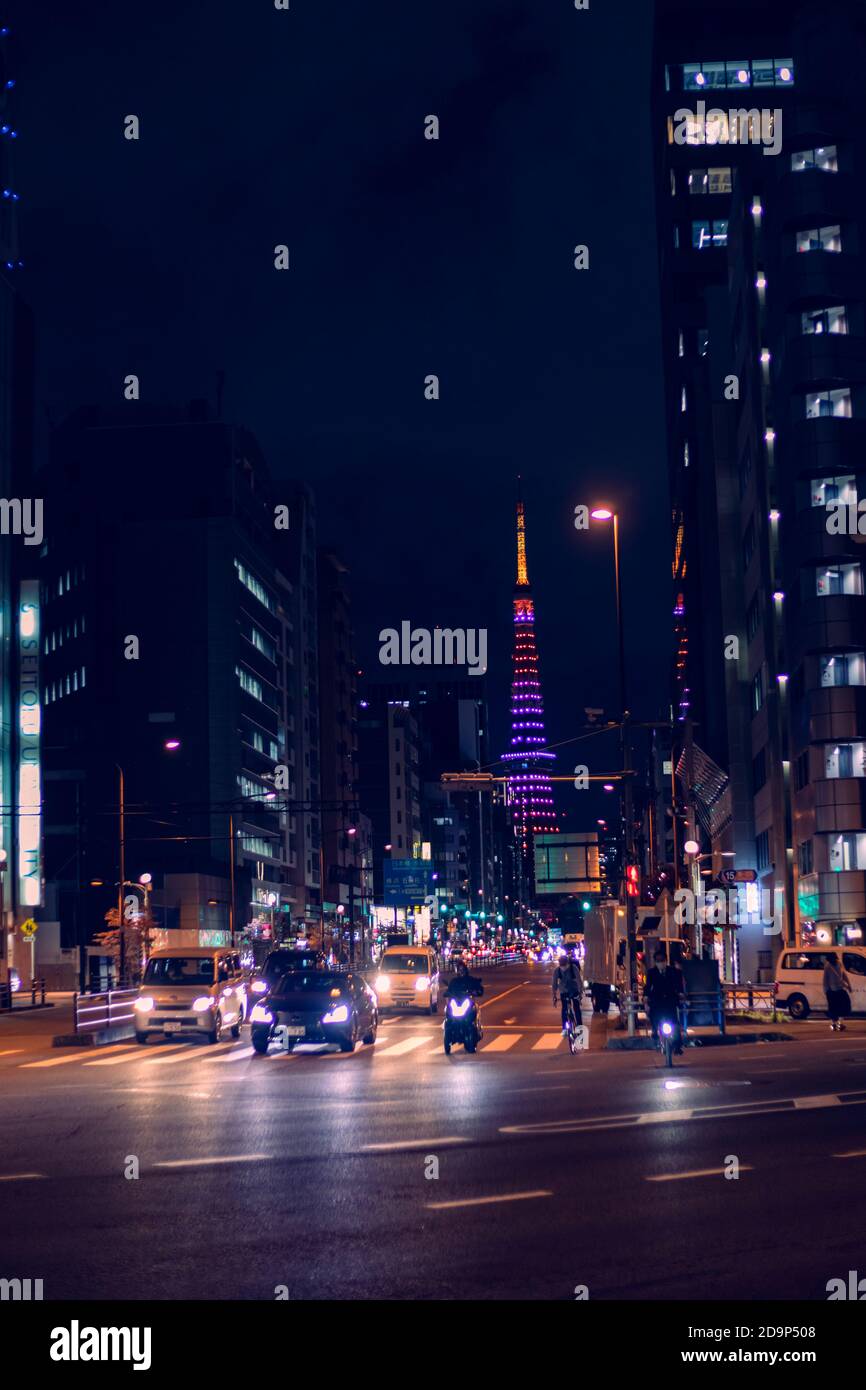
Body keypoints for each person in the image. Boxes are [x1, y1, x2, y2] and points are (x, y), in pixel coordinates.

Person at [644, 948, 686, 1050]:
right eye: (658, 960)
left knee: (675, 1022)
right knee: (654, 1015)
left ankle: (678, 1045)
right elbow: (648, 986)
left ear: (666, 960)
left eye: (662, 960)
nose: (660, 962)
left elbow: (679, 985)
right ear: (655, 962)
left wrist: (681, 994)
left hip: (670, 1000)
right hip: (657, 1001)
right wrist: (646, 997)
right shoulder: (651, 973)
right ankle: (655, 1031)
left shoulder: (674, 972)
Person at [552, 952, 584, 1032]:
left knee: (576, 1008)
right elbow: (554, 984)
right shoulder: (557, 970)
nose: (563, 967)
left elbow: (579, 980)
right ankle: (564, 1028)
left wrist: (580, 992)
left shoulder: (573, 968)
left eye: (564, 964)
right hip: (564, 991)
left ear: (568, 963)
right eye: (561, 965)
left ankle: (579, 1027)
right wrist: (554, 995)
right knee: (564, 1009)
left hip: (574, 990)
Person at [823, 953, 852, 1032]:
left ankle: (839, 1023)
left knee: (845, 1005)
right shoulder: (827, 966)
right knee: (833, 1008)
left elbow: (844, 975)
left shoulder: (839, 963)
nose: (832, 961)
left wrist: (849, 985)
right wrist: (826, 990)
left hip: (840, 988)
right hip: (831, 990)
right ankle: (834, 1024)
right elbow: (825, 979)